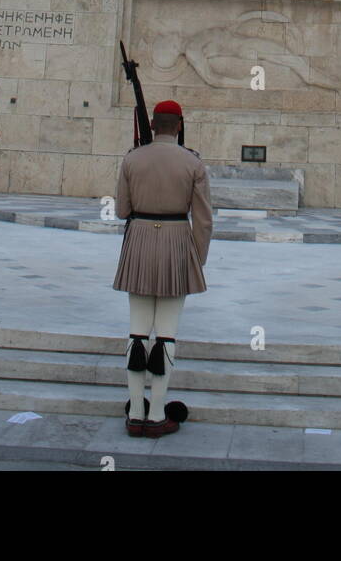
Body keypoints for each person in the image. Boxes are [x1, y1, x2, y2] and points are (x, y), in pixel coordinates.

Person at [113, 100, 212, 437]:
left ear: (153, 126)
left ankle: (135, 412)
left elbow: (121, 209)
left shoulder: (131, 158)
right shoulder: (192, 162)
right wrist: (195, 258)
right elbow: (203, 219)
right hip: (175, 242)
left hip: (139, 241)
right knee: (166, 333)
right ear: (180, 125)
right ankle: (156, 415)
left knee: (137, 331)